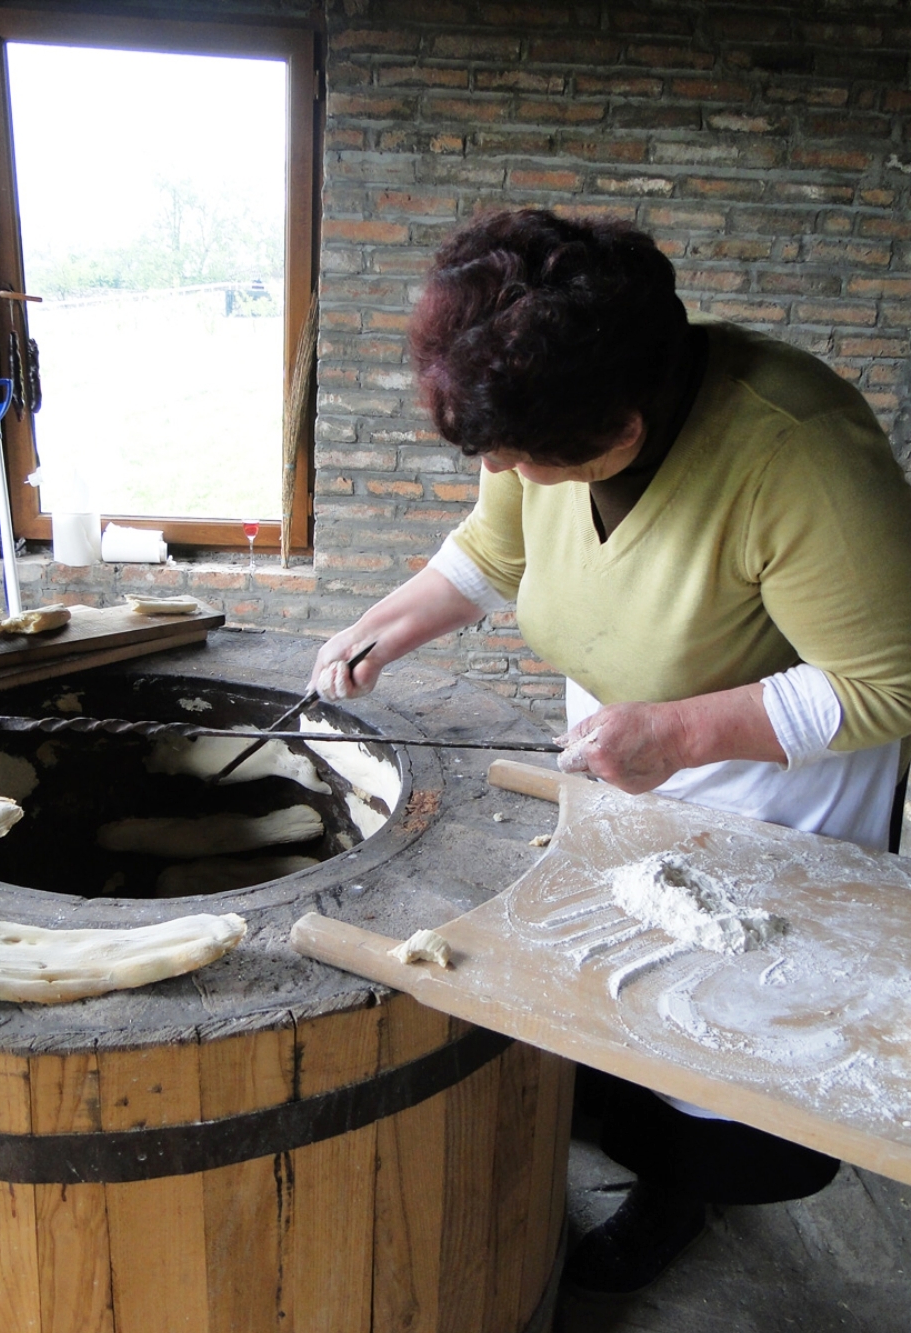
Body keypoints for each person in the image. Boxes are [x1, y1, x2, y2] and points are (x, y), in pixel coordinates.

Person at [308, 208, 911, 1294]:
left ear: (621, 432)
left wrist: (681, 730)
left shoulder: (797, 449)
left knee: (716, 1006)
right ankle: (608, 1130)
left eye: (519, 460)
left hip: (771, 765)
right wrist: (381, 627)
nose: (503, 473)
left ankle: (682, 1190)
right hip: (629, 728)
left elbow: (888, 679)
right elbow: (493, 551)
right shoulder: (540, 396)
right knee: (607, 971)